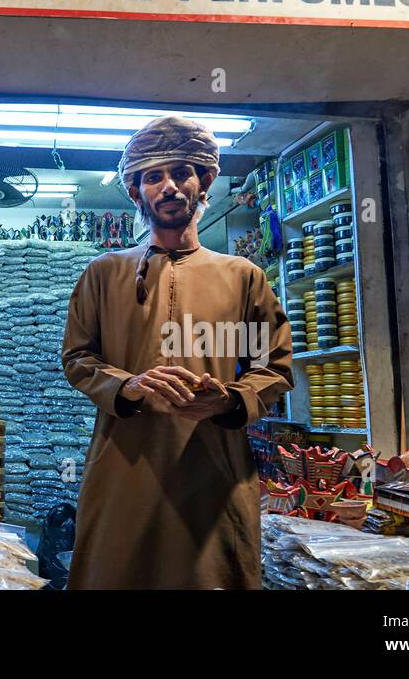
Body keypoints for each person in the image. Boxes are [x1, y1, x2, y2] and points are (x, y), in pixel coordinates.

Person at [62, 115, 292, 589]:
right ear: (137, 191)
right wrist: (128, 385)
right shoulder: (104, 274)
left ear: (203, 181)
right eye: (153, 176)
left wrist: (228, 401)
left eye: (181, 172)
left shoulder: (244, 277)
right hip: (123, 469)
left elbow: (272, 367)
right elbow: (78, 358)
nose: (168, 186)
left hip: (213, 473)